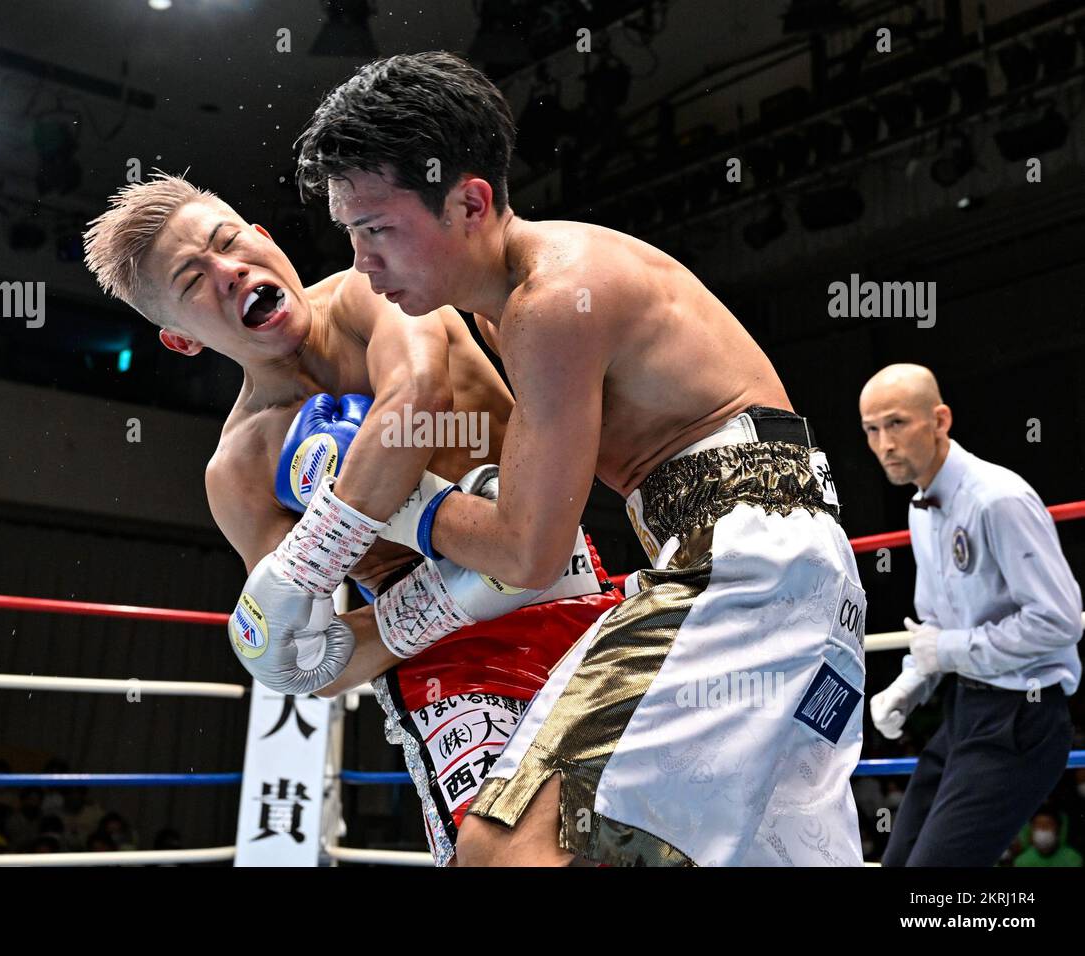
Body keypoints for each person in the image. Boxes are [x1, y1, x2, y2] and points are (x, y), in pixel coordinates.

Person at [294, 51, 864, 867]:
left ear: (469, 201)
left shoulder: (553, 300)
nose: (362, 261)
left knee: (507, 847)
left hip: (743, 566)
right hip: (779, 567)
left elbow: (528, 550)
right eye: (351, 233)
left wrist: (386, 497)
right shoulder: (512, 308)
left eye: (378, 229)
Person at [82, 173, 620, 864]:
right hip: (449, 664)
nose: (228, 271)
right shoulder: (240, 469)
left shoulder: (378, 288)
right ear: (181, 340)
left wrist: (318, 544)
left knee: (647, 830)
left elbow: (418, 398)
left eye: (229, 242)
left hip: (573, 591)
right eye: (193, 281)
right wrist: (452, 596)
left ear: (264, 238)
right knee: (506, 855)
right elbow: (310, 657)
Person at [859, 363, 1080, 866]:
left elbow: (1060, 620)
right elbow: (935, 626)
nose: (884, 444)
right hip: (966, 709)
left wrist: (949, 650)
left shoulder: (998, 499)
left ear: (940, 420)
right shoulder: (921, 508)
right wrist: (911, 684)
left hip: (1024, 717)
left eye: (896, 424)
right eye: (871, 429)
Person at [1013, 809, 1081, 867]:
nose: (1042, 830)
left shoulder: (1073, 859)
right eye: (1038, 825)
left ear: (1058, 829)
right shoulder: (1022, 862)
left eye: (1047, 825)